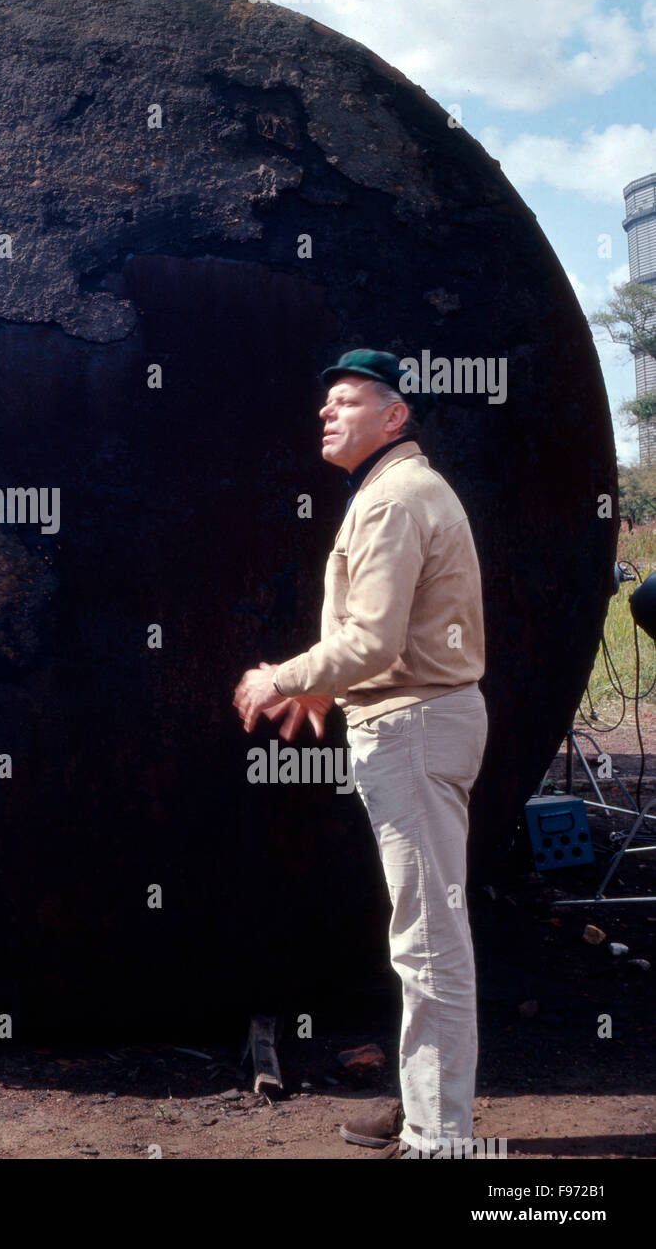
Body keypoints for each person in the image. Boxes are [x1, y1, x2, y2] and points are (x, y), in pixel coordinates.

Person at [233, 348, 487, 1159]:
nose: (325, 412)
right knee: (419, 932)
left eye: (346, 400)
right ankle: (424, 1115)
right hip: (411, 721)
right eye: (326, 402)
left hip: (414, 729)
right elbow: (389, 633)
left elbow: (373, 641)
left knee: (429, 938)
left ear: (394, 416)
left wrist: (283, 676)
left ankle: (441, 1138)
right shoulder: (393, 491)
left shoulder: (393, 499)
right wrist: (327, 690)